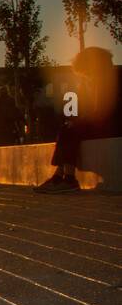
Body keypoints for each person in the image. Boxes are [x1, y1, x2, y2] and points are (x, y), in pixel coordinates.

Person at [36, 47, 122, 194]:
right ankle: (60, 176)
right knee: (68, 128)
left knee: (70, 130)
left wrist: (81, 121)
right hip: (106, 124)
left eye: (87, 73)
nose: (87, 77)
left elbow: (105, 111)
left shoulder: (112, 79)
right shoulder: (102, 80)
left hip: (114, 126)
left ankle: (68, 178)